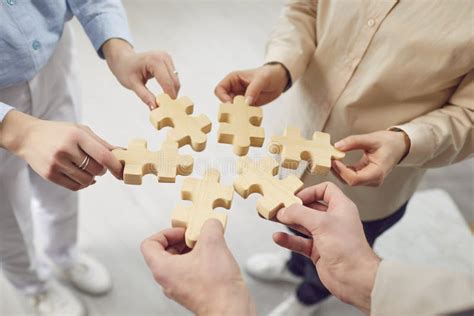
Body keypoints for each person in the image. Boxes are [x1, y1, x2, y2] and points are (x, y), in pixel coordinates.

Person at [214, 1, 473, 314]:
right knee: (297, 227)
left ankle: (310, 296)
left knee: (336, 256)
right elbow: (305, 9)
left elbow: (468, 116)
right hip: (297, 138)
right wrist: (280, 66)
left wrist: (404, 140)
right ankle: (295, 268)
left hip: (368, 188)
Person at [0, 1, 179, 315]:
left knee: (65, 182)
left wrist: (118, 47)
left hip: (53, 58)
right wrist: (18, 131)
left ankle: (64, 255)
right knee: (6, 216)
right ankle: (33, 286)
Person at [141, 182, 474, 315]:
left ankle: (307, 299)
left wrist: (221, 303)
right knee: (307, 244)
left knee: (318, 253)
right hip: (387, 288)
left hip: (382, 192)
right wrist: (363, 276)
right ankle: (297, 271)